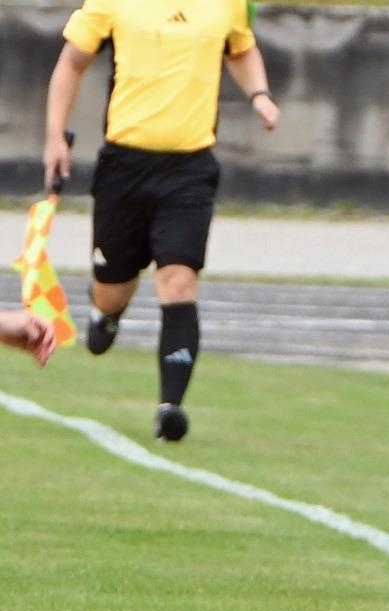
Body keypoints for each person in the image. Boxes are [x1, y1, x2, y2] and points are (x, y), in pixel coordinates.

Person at [42, 0, 280, 441]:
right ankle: (107, 314)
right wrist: (55, 136)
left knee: (178, 281)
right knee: (112, 289)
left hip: (189, 168)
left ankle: (171, 407)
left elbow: (241, 49)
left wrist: (260, 95)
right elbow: (71, 64)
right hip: (124, 167)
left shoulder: (227, 4)